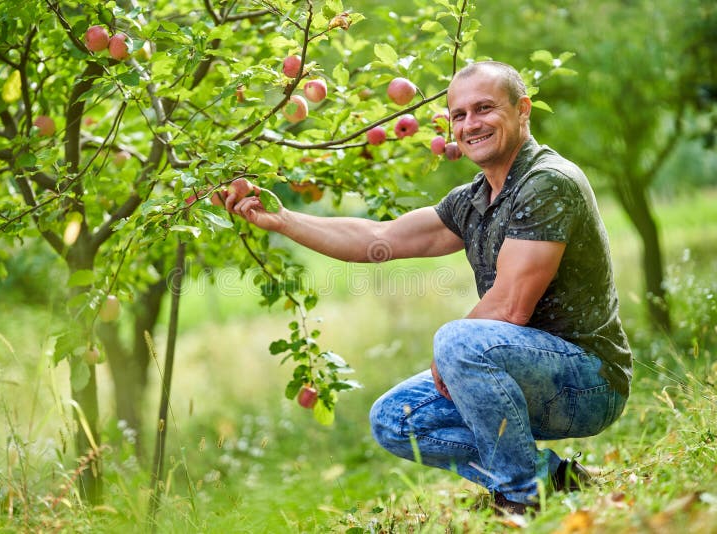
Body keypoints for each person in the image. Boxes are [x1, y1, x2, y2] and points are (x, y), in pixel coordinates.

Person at [222, 60, 632, 514]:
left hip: (590, 382)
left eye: (484, 109)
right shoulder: (475, 199)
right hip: (527, 375)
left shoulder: (546, 182)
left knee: (456, 341)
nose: (470, 124)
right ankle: (550, 479)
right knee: (396, 419)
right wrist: (282, 219)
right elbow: (379, 240)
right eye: (459, 115)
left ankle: (521, 497)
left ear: (523, 110)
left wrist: (453, 354)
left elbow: (511, 305)